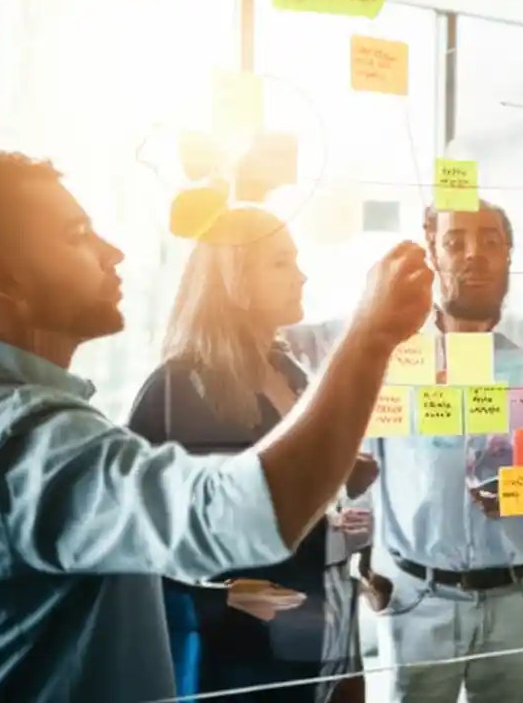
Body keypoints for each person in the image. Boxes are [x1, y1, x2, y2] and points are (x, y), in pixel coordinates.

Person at [0, 151, 432, 702]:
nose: (113, 252)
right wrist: (371, 335)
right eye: (77, 235)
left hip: (317, 631)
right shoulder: (26, 442)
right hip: (247, 664)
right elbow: (239, 515)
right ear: (4, 276)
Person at [285, 202, 523, 703]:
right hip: (416, 598)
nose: (474, 254)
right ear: (432, 253)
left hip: (519, 600)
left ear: (509, 253)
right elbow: (282, 344)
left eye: (490, 241)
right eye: (454, 242)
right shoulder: (385, 344)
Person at [125, 207, 377, 702]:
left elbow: (281, 497)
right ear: (233, 279)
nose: (301, 276)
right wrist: (214, 599)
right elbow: (134, 535)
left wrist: (338, 483)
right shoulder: (174, 390)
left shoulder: (296, 376)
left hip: (326, 628)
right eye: (280, 263)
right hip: (241, 658)